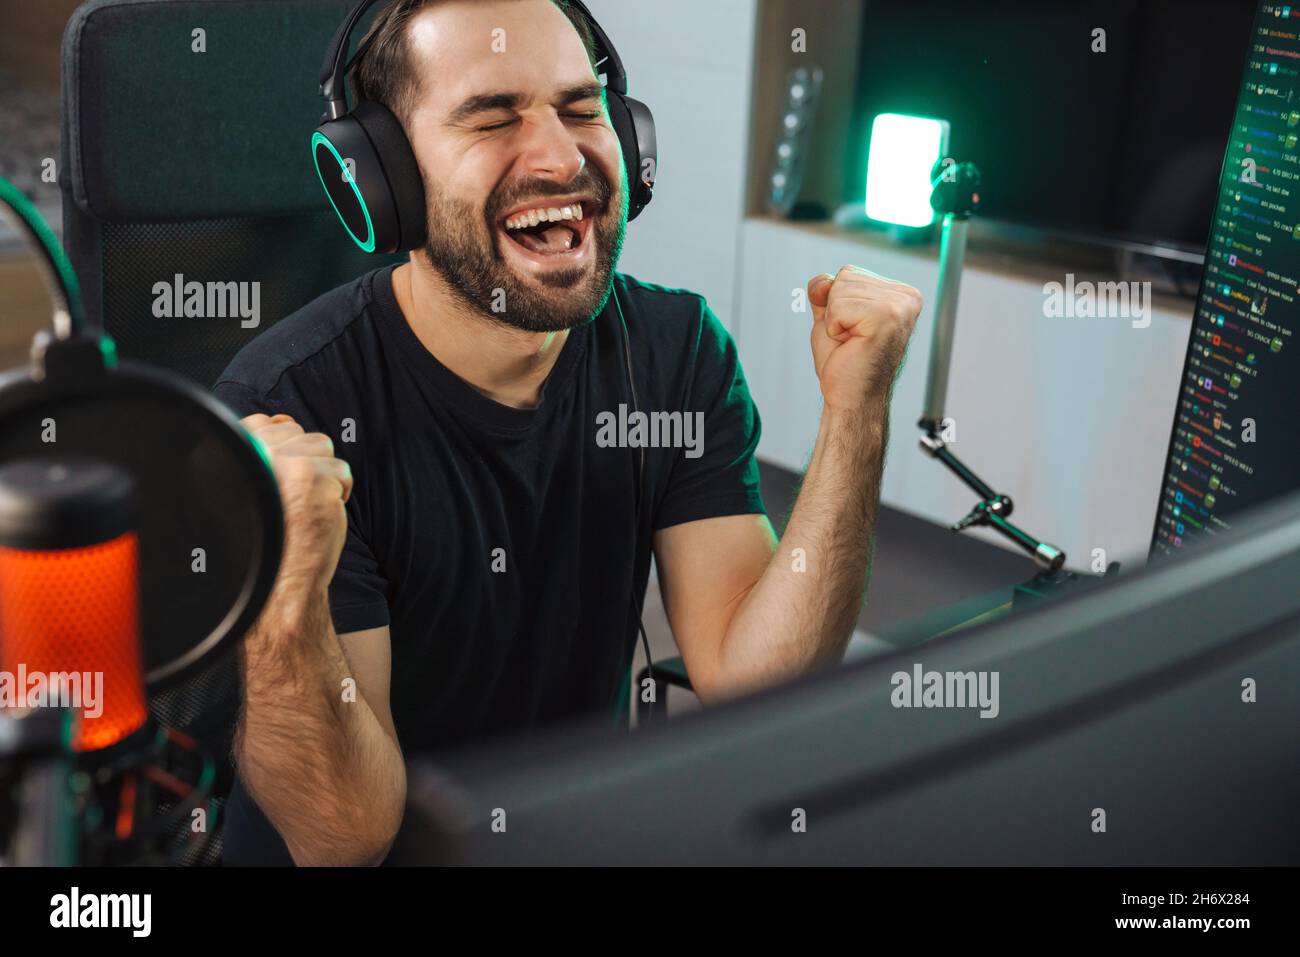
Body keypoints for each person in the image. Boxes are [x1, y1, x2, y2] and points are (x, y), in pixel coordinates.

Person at [212, 0, 921, 865]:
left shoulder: (677, 351)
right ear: (382, 177)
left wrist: (857, 414)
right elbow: (346, 833)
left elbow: (754, 681)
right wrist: (282, 592)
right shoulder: (291, 409)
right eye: (493, 118)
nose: (560, 155)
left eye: (582, 109)